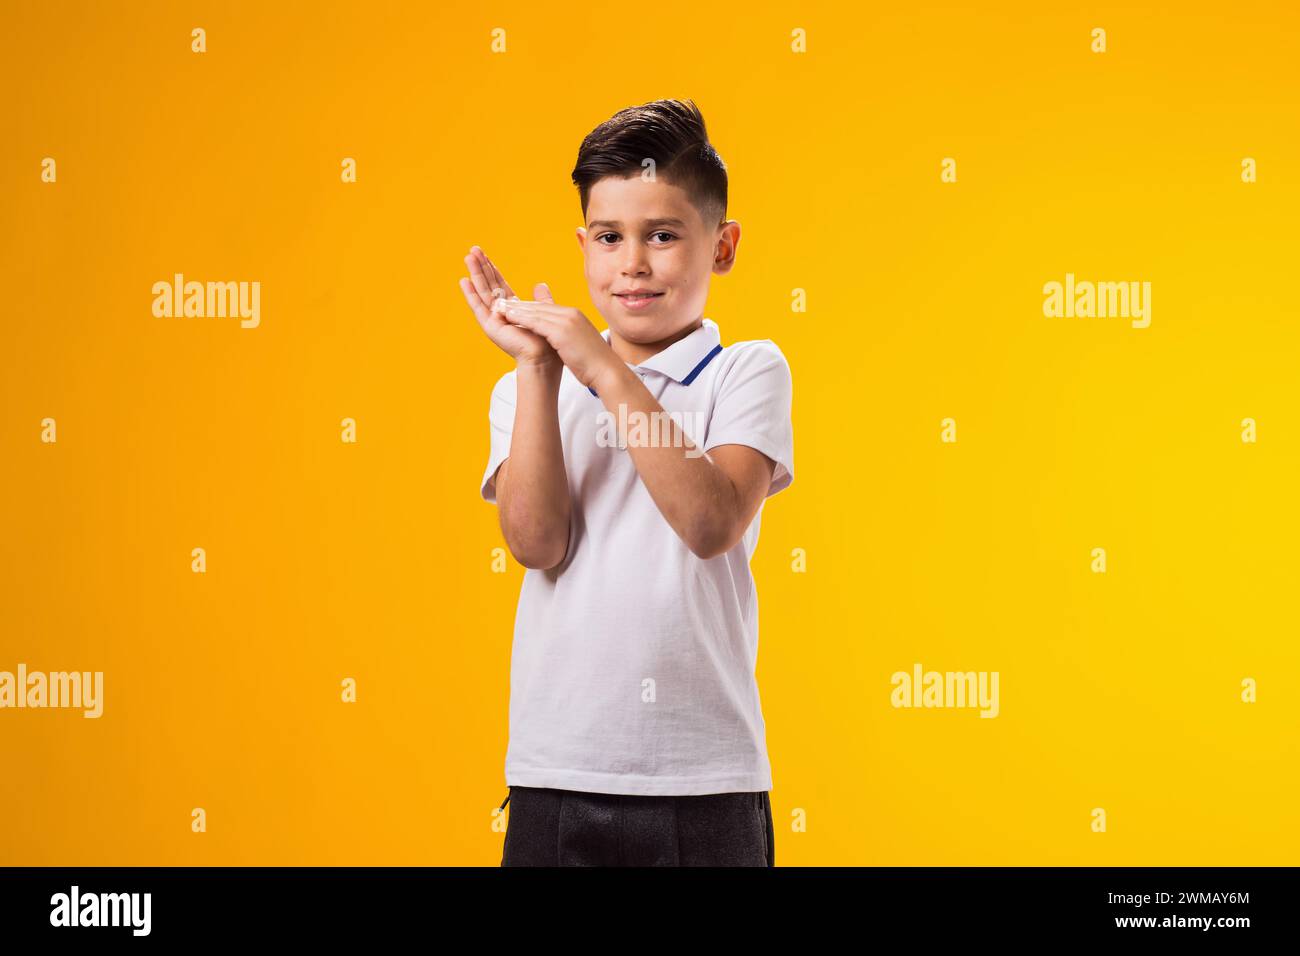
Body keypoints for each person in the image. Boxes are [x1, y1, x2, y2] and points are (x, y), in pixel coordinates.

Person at [459, 98, 793, 866]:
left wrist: (602, 365)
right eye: (610, 238)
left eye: (663, 235)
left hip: (704, 781)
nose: (633, 263)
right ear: (584, 246)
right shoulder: (528, 387)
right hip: (556, 770)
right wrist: (540, 370)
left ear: (723, 245)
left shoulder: (747, 370)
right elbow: (537, 545)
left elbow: (710, 524)